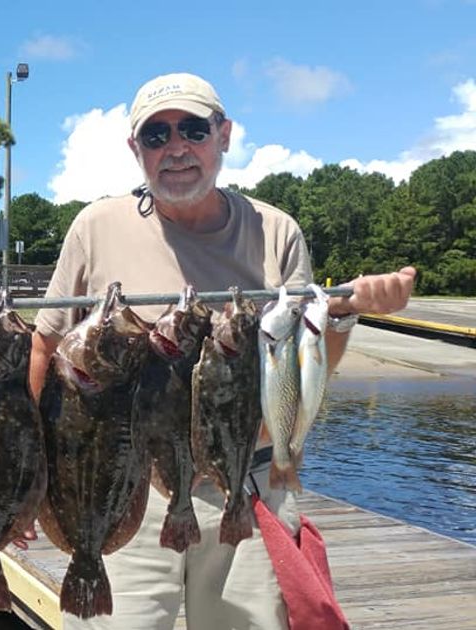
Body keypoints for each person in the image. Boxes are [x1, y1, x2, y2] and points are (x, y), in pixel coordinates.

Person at [24, 72, 416, 629]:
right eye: (156, 135)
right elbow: (44, 349)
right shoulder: (95, 227)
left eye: (192, 129)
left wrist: (343, 316)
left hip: (245, 481)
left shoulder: (275, 232)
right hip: (128, 486)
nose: (175, 147)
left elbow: (302, 369)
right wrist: (29, 482)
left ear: (224, 135)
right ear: (135, 149)